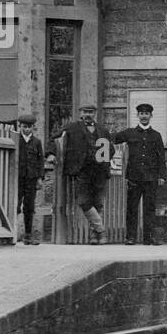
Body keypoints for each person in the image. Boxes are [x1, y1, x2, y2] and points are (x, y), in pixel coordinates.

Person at [47, 104, 111, 245]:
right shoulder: (71, 127)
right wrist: (51, 153)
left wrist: (105, 162)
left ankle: (94, 236)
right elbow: (53, 139)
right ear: (80, 113)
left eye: (91, 112)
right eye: (85, 112)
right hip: (82, 171)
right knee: (83, 201)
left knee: (98, 203)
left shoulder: (103, 130)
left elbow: (110, 149)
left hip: (100, 171)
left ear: (95, 113)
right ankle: (101, 230)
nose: (88, 114)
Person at [112, 103, 166, 245]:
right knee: (132, 208)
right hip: (134, 178)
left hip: (151, 178)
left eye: (146, 114)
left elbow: (161, 157)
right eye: (141, 113)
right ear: (137, 116)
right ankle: (131, 237)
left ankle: (149, 237)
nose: (144, 116)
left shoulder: (156, 135)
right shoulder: (130, 133)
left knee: (150, 208)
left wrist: (162, 176)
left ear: (150, 116)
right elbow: (112, 138)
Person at [16, 113, 44, 245]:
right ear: (19, 126)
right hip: (17, 178)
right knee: (15, 205)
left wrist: (40, 178)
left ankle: (28, 235)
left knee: (29, 206)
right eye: (24, 127)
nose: (27, 129)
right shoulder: (16, 140)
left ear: (33, 127)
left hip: (31, 179)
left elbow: (40, 162)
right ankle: (13, 233)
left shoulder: (37, 142)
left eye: (29, 127)